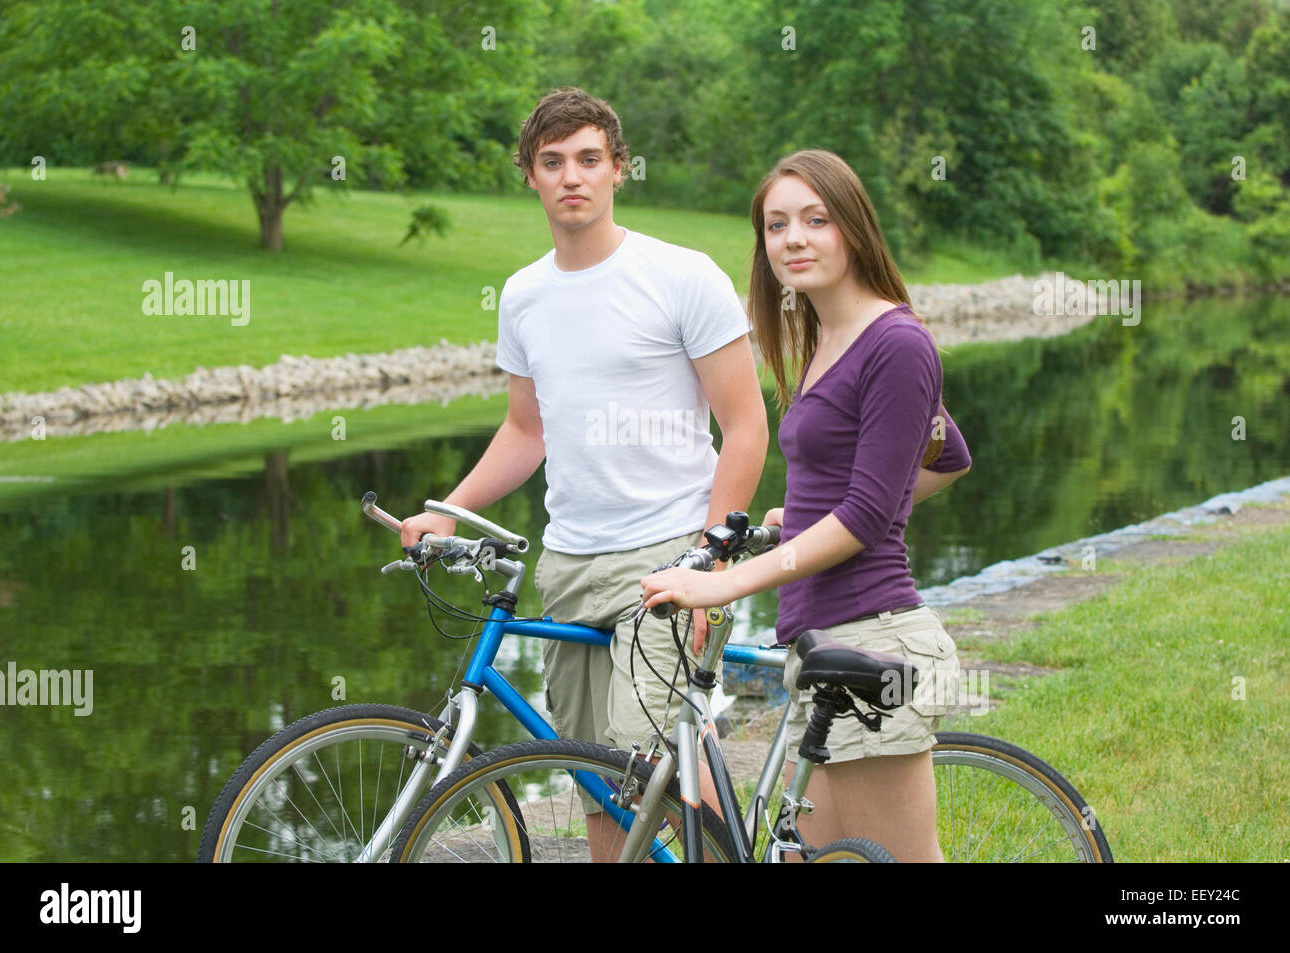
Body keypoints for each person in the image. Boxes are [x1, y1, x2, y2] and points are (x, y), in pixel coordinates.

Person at [398, 87, 770, 856]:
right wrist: (448, 509)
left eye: (589, 160)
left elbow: (745, 426)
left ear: (619, 170)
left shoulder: (681, 275)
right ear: (529, 175)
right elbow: (524, 430)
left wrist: (712, 560)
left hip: (666, 557)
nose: (572, 176)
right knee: (595, 785)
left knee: (644, 771)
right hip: (568, 565)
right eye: (553, 161)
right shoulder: (525, 295)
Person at [640, 149, 973, 862]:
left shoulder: (896, 341)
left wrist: (724, 582)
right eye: (776, 224)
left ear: (852, 227)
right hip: (823, 642)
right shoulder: (828, 336)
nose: (793, 238)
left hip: (873, 638)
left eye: (815, 219)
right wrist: (810, 519)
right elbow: (945, 453)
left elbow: (866, 515)